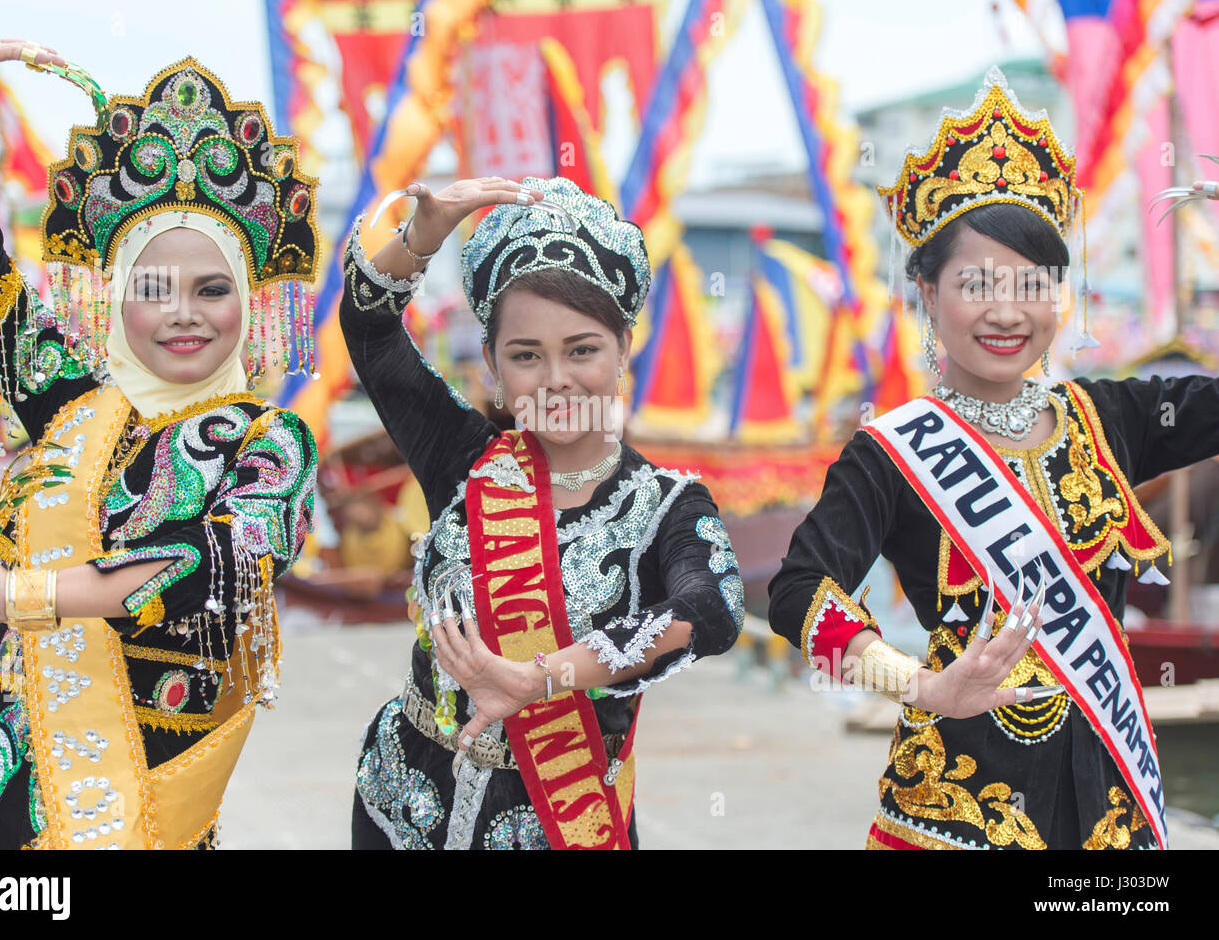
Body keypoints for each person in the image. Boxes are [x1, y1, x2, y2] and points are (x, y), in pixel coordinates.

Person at [768, 67, 1215, 850]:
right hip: (954, 812)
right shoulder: (891, 454)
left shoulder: (1111, 417)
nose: (1008, 311)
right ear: (927, 293)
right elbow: (800, 590)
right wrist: (918, 682)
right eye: (978, 282)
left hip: (1110, 807)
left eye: (1033, 283)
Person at [0, 32, 320, 849]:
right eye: (152, 288)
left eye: (212, 288)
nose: (183, 312)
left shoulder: (270, 442)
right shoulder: (67, 400)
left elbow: (222, 562)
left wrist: (27, 597)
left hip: (134, 798)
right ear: (114, 300)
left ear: (249, 300)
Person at [341, 176, 744, 849]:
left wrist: (544, 676)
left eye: (581, 349)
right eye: (526, 355)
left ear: (623, 349)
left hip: (564, 818)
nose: (555, 377)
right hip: (403, 804)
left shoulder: (665, 505)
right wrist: (426, 232)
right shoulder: (462, 456)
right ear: (494, 366)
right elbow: (371, 329)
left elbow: (713, 606)